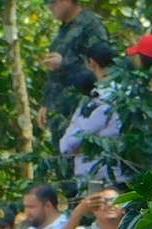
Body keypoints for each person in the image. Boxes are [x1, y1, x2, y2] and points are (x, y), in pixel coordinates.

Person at [40, 0, 112, 131]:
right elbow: (54, 74)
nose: (50, 7)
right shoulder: (63, 30)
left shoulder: (91, 26)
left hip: (81, 112)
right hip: (59, 112)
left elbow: (102, 68)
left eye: (52, 2)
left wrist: (65, 64)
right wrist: (46, 104)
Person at [57, 44, 122, 186]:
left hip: (101, 172)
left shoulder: (103, 96)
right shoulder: (124, 88)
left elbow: (79, 135)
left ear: (91, 63)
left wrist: (67, 144)